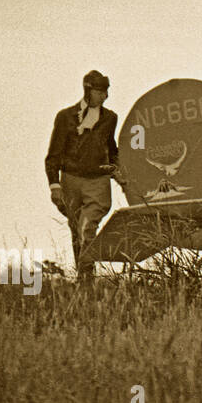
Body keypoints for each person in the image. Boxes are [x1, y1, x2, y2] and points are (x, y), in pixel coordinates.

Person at [45, 70, 126, 279]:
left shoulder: (110, 118)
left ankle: (86, 276)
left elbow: (111, 149)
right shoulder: (65, 117)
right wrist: (55, 186)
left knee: (86, 226)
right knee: (77, 230)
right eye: (100, 91)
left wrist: (120, 173)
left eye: (106, 92)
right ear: (88, 90)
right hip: (70, 180)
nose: (105, 96)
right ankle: (85, 280)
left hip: (98, 181)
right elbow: (53, 154)